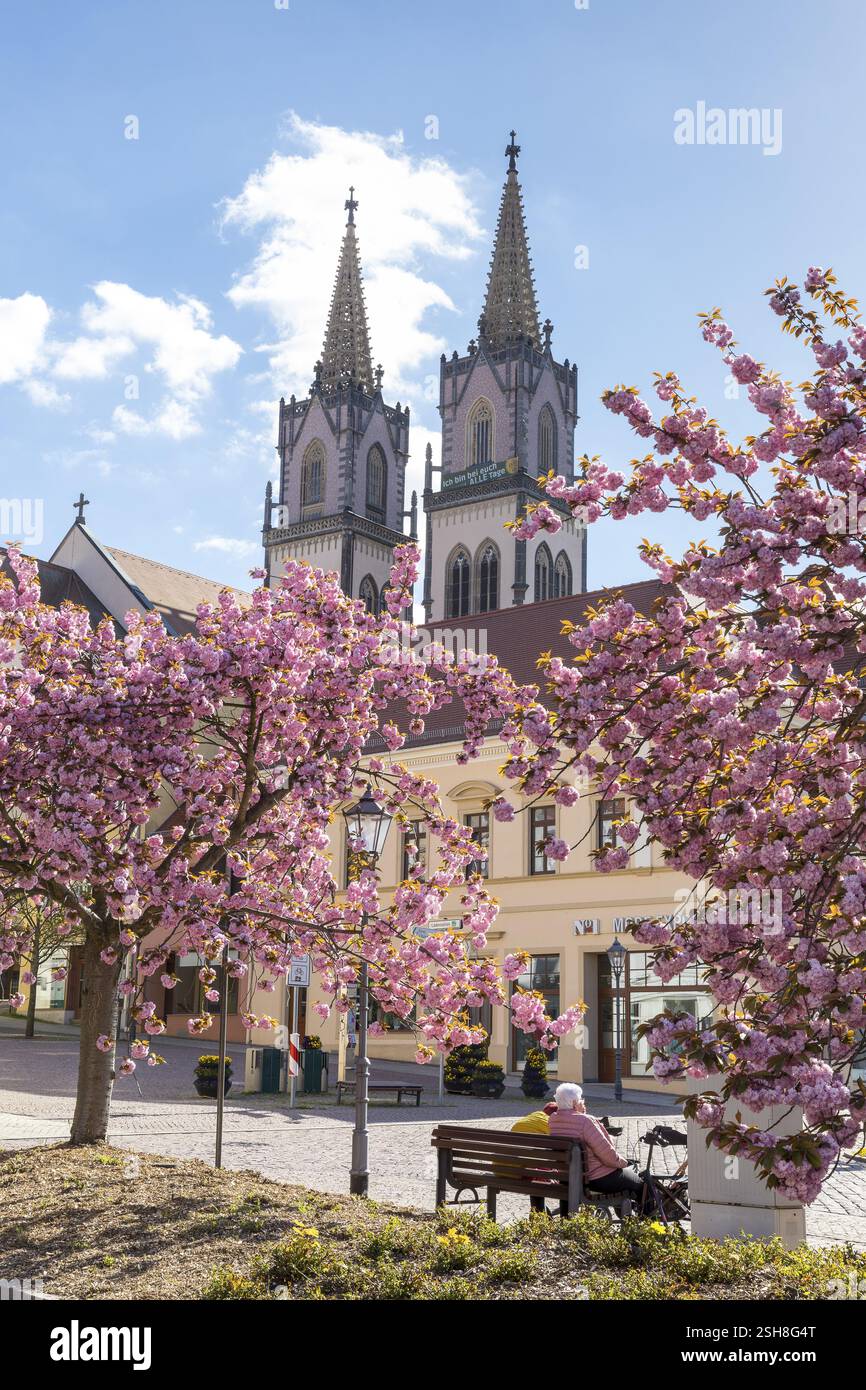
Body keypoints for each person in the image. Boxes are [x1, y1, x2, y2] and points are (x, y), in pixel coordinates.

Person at [547, 1082, 649, 1212]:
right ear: (574, 1103)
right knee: (642, 1185)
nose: (583, 1102)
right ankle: (652, 1221)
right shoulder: (585, 1121)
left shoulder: (553, 1120)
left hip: (567, 1177)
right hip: (596, 1178)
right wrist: (624, 1163)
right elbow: (607, 1155)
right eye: (581, 1100)